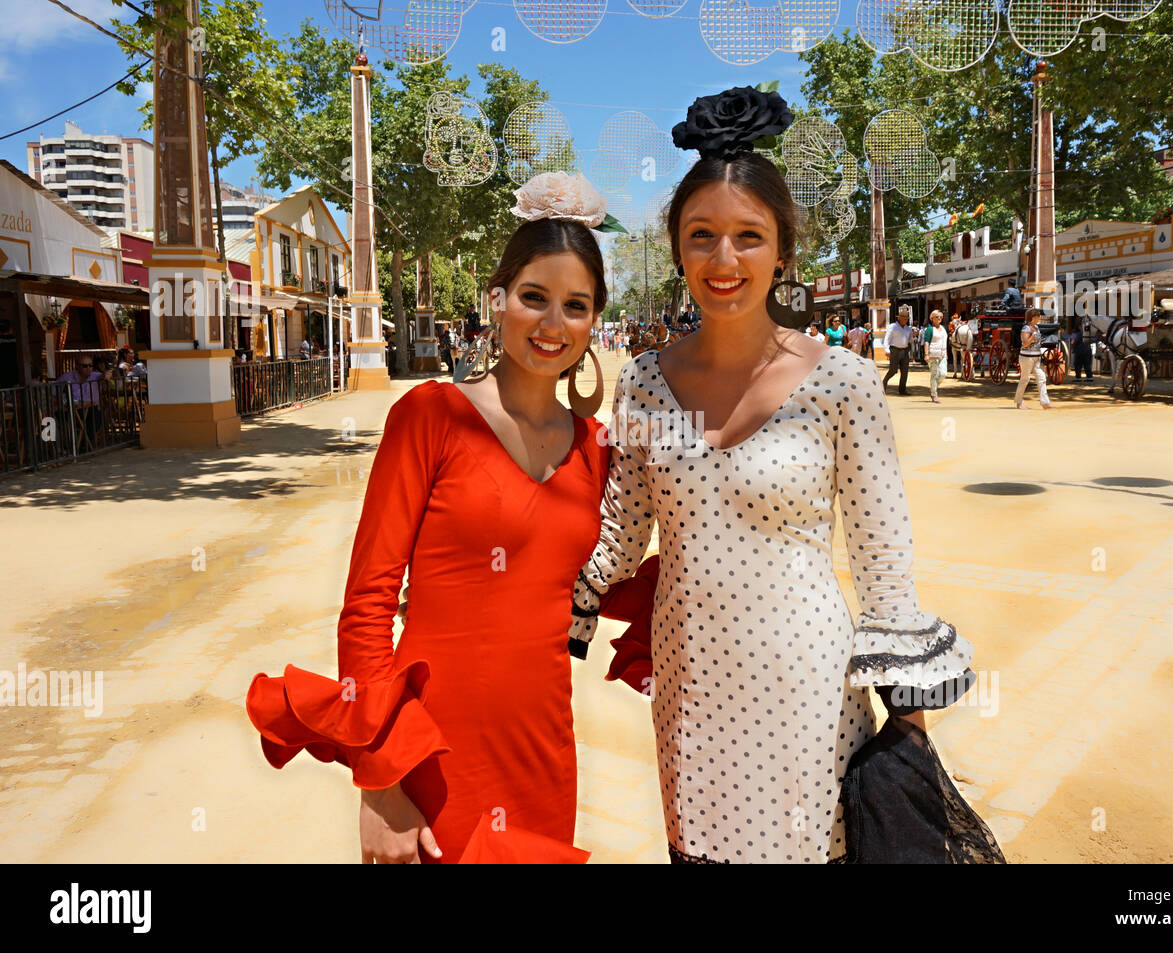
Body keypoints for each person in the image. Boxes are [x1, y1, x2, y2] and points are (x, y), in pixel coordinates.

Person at [566, 85, 977, 864]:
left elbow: (884, 563)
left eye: (748, 237)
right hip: (690, 693)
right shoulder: (644, 384)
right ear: (679, 246)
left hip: (811, 693)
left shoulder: (844, 383)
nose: (725, 260)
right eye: (702, 236)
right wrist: (501, 589)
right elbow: (618, 536)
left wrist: (910, 739)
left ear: (784, 250)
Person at [246, 172, 657, 864]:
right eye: (534, 297)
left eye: (575, 306)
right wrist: (380, 781)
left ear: (594, 321)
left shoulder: (597, 448)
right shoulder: (429, 416)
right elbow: (369, 602)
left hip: (543, 755)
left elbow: (585, 582)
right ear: (497, 300)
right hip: (431, 755)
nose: (553, 324)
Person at [1014, 307, 1052, 409]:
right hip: (1026, 358)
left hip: (1036, 357)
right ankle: (1019, 402)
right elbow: (1025, 343)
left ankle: (1045, 402)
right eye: (1038, 316)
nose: (1039, 317)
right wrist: (1033, 337)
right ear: (1033, 317)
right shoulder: (1026, 328)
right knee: (1024, 379)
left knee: (1042, 377)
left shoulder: (1036, 328)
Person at [881, 305, 915, 396]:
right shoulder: (892, 326)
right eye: (904, 318)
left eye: (906, 319)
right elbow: (887, 339)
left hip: (904, 351)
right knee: (893, 370)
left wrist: (914, 335)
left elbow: (910, 340)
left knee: (905, 371)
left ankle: (902, 390)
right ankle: (884, 382)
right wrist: (886, 350)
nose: (905, 320)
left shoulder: (908, 329)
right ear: (899, 318)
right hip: (894, 350)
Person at [922, 309, 948, 403]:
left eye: (941, 317)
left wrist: (946, 354)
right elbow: (926, 342)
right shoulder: (929, 329)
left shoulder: (943, 328)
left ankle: (933, 387)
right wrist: (926, 354)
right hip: (933, 355)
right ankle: (934, 394)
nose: (939, 318)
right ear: (932, 318)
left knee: (943, 374)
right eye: (937, 317)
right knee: (935, 375)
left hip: (942, 355)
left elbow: (945, 342)